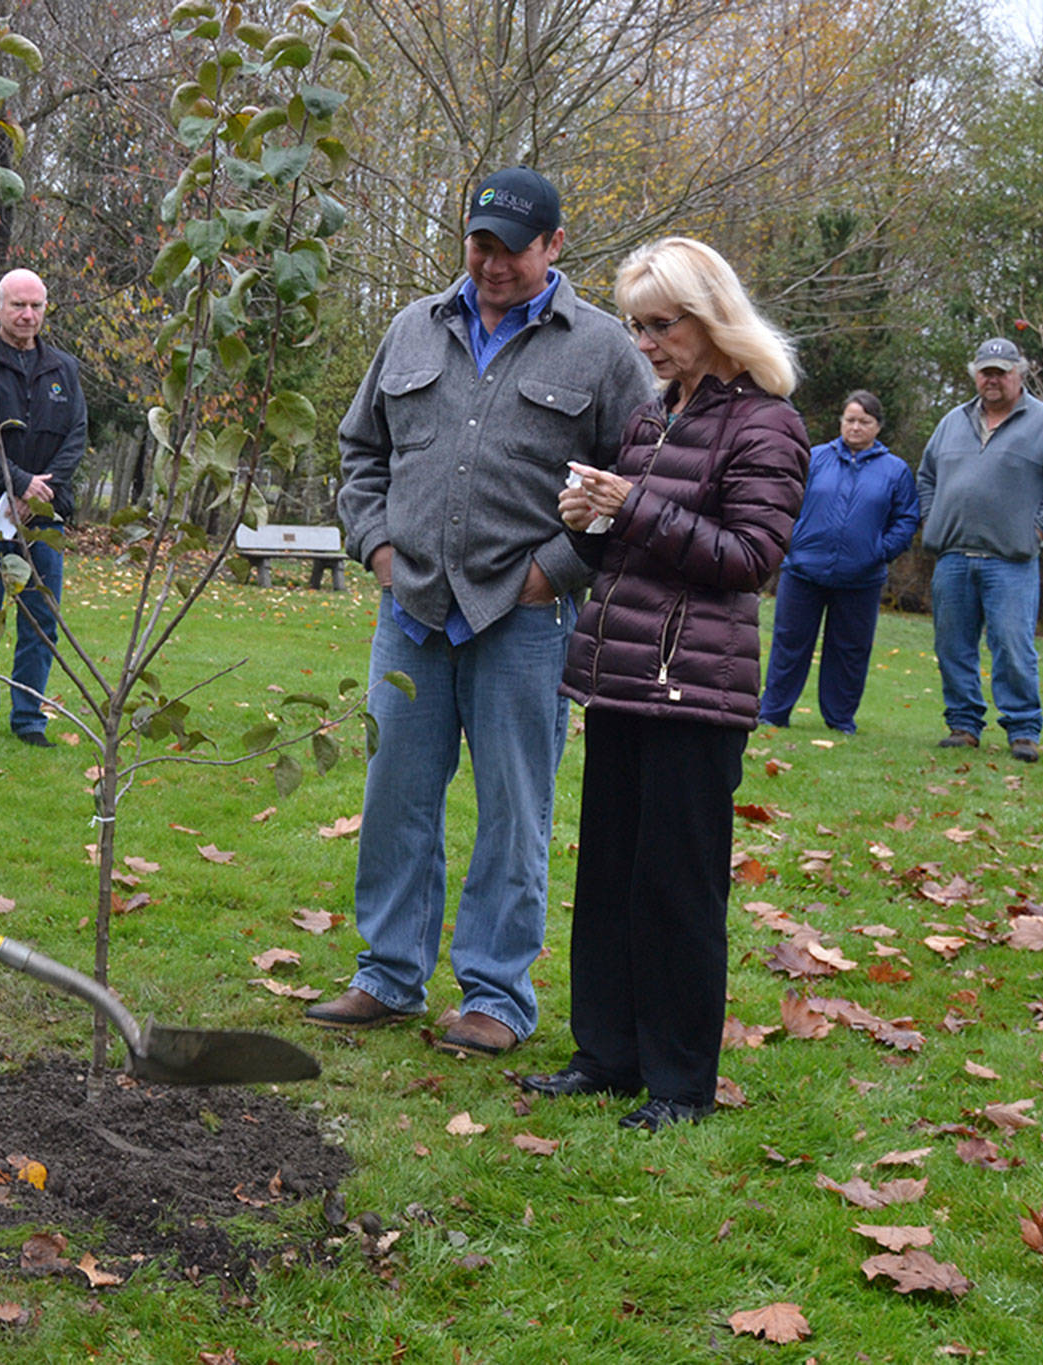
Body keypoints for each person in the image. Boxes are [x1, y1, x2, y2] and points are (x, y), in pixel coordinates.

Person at [312, 167, 652, 1059]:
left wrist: (563, 569)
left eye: (511, 247)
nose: (491, 263)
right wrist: (377, 547)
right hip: (412, 612)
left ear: (554, 247)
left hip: (525, 620)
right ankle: (387, 975)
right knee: (395, 799)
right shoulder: (410, 328)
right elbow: (361, 449)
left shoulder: (607, 350)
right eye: (479, 243)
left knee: (514, 809)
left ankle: (496, 995)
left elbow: (641, 481)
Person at [523, 236, 808, 1130]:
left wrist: (630, 505)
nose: (644, 344)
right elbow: (640, 544)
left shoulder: (767, 424)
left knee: (677, 889)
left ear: (711, 316)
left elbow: (751, 560)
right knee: (608, 877)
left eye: (660, 326)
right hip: (621, 679)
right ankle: (606, 1055)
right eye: (638, 327)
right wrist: (592, 523)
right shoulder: (656, 416)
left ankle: (681, 1083)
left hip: (698, 691)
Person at [915, 337, 1043, 762]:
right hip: (953, 558)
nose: (992, 379)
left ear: (1019, 374)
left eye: (1001, 371)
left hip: (1012, 561)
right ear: (975, 375)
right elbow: (926, 476)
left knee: (1012, 645)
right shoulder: (952, 421)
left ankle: (1023, 730)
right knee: (952, 645)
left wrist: (1038, 533)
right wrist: (931, 520)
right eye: (985, 371)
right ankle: (963, 725)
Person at [0, 269, 87, 748]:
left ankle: (29, 720)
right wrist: (18, 485)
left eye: (37, 306)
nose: (28, 315)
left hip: (45, 515)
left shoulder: (64, 369)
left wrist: (38, 494)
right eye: (18, 305)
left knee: (41, 621)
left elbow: (76, 437)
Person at [757, 391, 921, 733]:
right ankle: (773, 712)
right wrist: (792, 541)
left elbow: (906, 519)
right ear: (841, 422)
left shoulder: (895, 471)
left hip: (861, 578)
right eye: (850, 420)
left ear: (878, 426)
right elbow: (785, 501)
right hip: (803, 570)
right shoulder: (814, 459)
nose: (856, 427)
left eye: (865, 421)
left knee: (849, 652)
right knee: (789, 644)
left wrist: (880, 551)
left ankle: (839, 718)